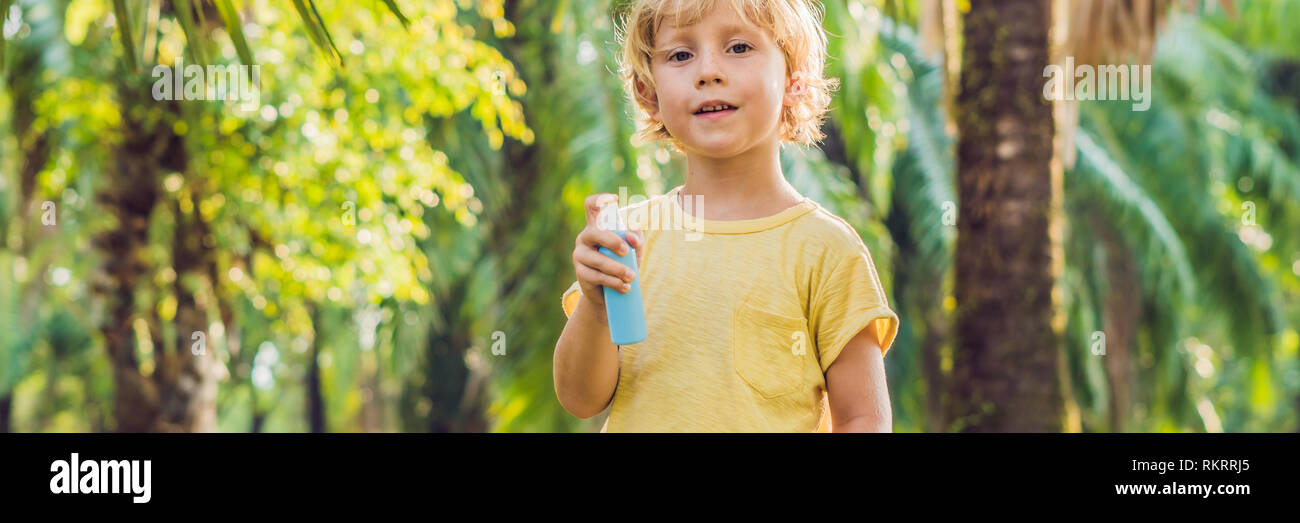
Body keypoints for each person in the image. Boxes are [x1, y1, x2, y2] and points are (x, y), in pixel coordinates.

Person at [553, 0, 899, 432]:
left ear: (796, 81)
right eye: (681, 55)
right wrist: (596, 305)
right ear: (649, 94)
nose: (708, 71)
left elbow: (864, 418)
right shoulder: (630, 240)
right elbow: (580, 399)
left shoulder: (827, 250)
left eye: (738, 47)